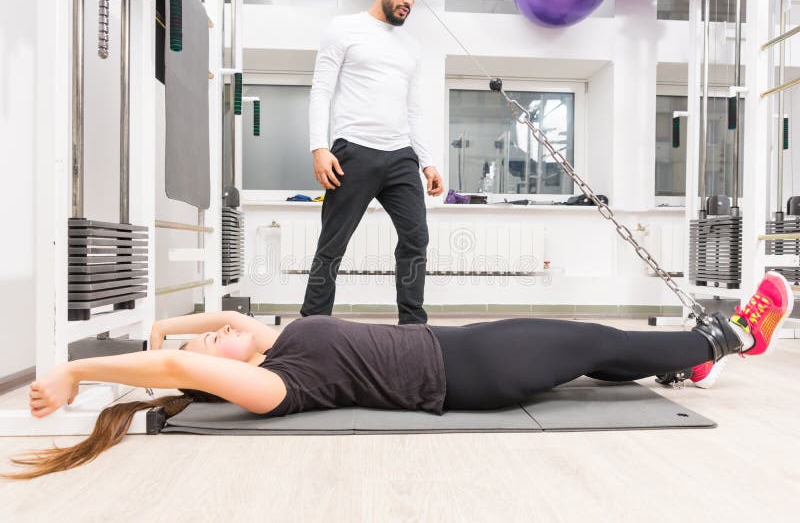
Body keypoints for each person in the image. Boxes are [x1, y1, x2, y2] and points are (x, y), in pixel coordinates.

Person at [6, 272, 792, 479]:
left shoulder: (272, 343)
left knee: (585, 348)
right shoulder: (280, 387)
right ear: (221, 380)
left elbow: (188, 340)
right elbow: (180, 365)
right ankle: (728, 338)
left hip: (460, 346)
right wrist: (82, 370)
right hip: (469, 376)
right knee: (583, 340)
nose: (219, 332)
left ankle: (684, 365)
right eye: (214, 346)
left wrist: (163, 327)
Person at [303, 0, 444, 325]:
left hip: (401, 156)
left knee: (416, 238)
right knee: (333, 244)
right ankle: (312, 326)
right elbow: (321, 89)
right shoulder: (343, 28)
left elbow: (413, 108)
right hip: (353, 151)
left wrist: (427, 161)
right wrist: (318, 147)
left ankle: (413, 327)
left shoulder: (410, 46)